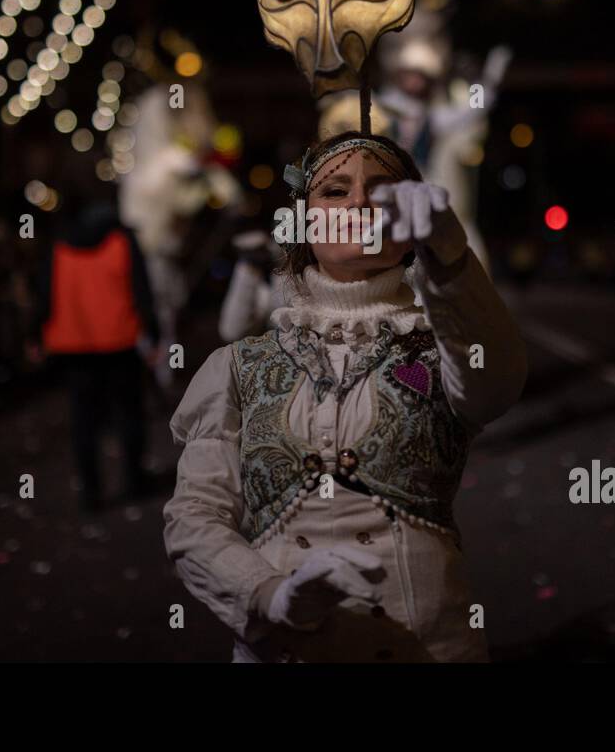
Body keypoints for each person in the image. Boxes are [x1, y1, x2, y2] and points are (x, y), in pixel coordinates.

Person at [162, 131, 528, 661]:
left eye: (384, 191)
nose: (360, 202)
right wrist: (268, 594)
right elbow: (194, 516)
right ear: (304, 222)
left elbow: (497, 381)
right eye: (334, 191)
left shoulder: (446, 351)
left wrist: (450, 257)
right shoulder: (236, 368)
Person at [38, 192, 160, 511]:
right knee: (128, 413)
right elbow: (141, 289)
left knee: (84, 420)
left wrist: (34, 333)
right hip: (118, 338)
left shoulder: (60, 243)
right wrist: (153, 333)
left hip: (74, 343)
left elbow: (45, 291)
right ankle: (134, 480)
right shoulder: (121, 240)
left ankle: (90, 493)